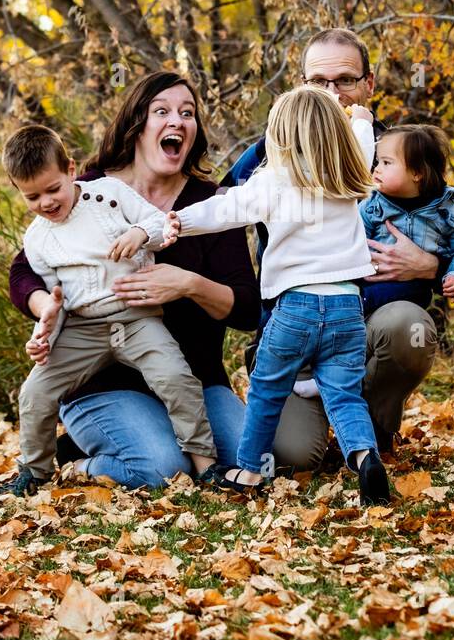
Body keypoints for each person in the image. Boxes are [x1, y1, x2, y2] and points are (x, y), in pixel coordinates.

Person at [222, 28, 454, 469]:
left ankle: (374, 430)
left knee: (410, 329)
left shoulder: (400, 152)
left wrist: (429, 266)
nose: (332, 94)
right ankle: (320, 417)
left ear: (369, 83)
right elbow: (217, 216)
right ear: (300, 84)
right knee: (294, 455)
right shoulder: (271, 153)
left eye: (345, 80)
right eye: (318, 82)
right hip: (296, 336)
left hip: (368, 331)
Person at [2, 71, 259, 493]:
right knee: (161, 469)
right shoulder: (80, 191)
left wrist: (188, 283)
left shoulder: (211, 205)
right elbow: (27, 272)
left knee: (251, 458)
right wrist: (42, 314)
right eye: (163, 111)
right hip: (101, 376)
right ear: (137, 125)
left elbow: (248, 308)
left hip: (180, 363)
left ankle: (199, 457)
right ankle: (60, 465)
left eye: (187, 113)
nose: (177, 121)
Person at [167, 86, 391, 505]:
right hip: (346, 306)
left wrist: (179, 220)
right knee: (344, 393)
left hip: (295, 308)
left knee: (268, 390)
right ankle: (365, 457)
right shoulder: (348, 170)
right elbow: (362, 142)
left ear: (279, 136)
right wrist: (360, 118)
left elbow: (224, 209)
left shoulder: (273, 180)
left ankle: (249, 471)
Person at [293, 123, 454, 399]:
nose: (375, 169)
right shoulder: (373, 204)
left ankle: (340, 383)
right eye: (377, 161)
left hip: (408, 292)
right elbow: (352, 237)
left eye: (386, 163)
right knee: (347, 309)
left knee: (365, 314)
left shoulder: (446, 210)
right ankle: (323, 365)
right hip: (365, 282)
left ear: (417, 173)